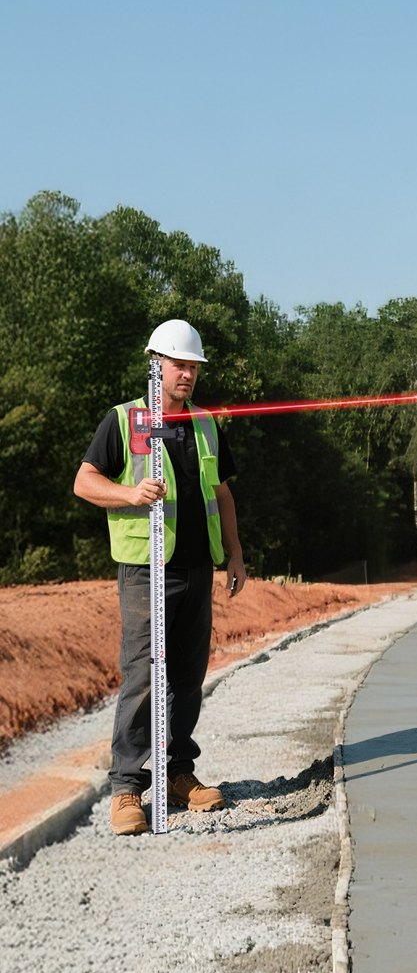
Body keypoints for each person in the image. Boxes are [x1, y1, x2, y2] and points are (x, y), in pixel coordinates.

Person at [73, 320, 246, 836]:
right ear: (157, 365)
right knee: (145, 674)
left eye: (194, 366)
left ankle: (177, 773)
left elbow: (222, 494)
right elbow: (84, 481)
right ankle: (127, 788)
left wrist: (235, 555)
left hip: (198, 567)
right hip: (145, 569)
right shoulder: (125, 421)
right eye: (179, 364)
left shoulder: (206, 424)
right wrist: (130, 495)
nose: (188, 374)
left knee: (188, 679)